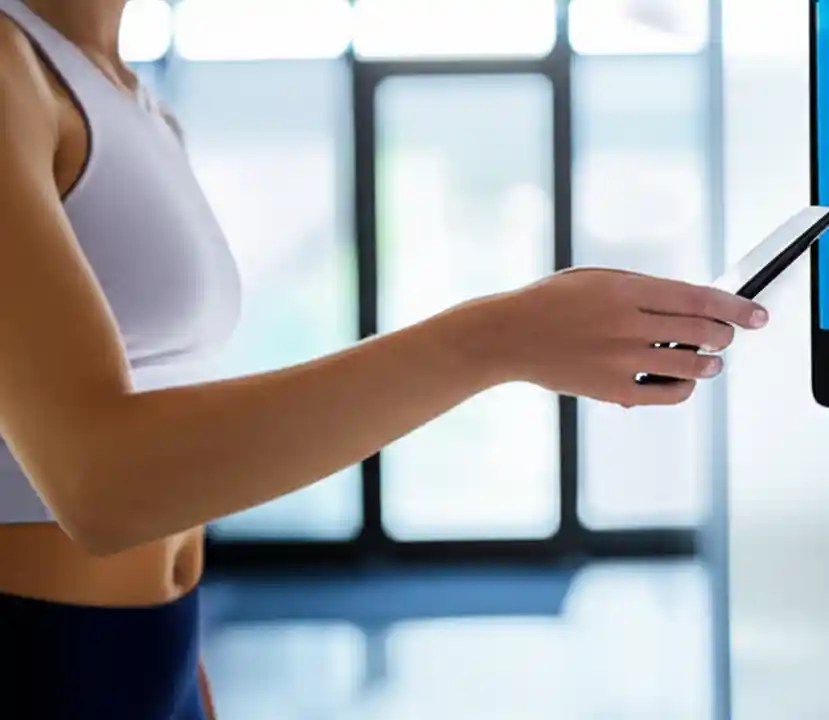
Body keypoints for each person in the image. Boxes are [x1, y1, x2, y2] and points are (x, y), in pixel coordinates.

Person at [0, 1, 768, 717]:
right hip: (40, 657)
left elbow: (165, 427)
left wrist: (184, 671)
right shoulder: (8, 65)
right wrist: (497, 338)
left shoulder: (126, 92)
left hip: (153, 652)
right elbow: (101, 482)